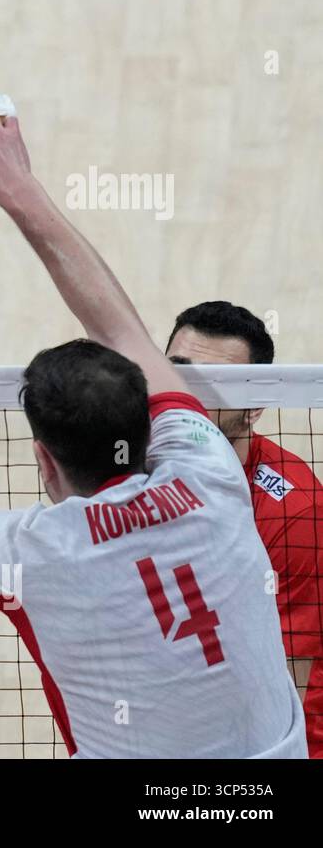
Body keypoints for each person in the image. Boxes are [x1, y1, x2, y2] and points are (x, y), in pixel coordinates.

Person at [0, 78, 306, 757]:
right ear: (153, 426)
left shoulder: (27, 557)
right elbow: (123, 332)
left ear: (44, 458)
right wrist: (19, 187)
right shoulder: (211, 474)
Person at [166, 301, 323, 756]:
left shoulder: (298, 516)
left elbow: (282, 697)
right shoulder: (130, 465)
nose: (190, 397)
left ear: (253, 407)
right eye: (178, 372)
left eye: (216, 386)